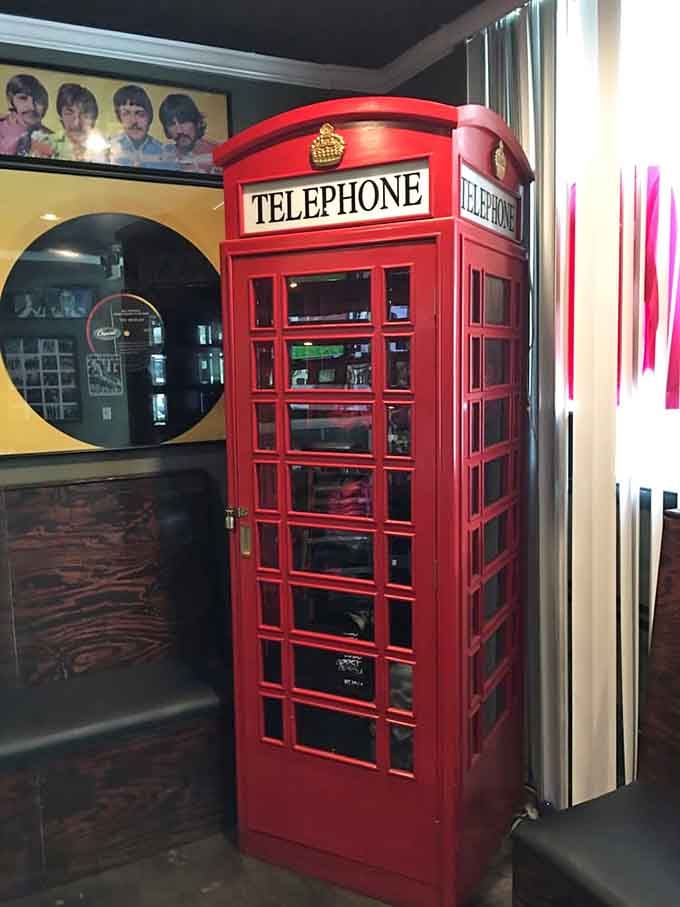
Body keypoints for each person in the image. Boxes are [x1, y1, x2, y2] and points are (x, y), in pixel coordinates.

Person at [108, 85, 175, 170]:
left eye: (140, 114)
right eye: (126, 114)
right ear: (119, 117)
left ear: (149, 117)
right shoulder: (108, 149)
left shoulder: (165, 154)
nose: (134, 121)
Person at [158, 93, 218, 173]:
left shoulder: (219, 152)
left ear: (197, 122)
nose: (179, 130)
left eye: (183, 121)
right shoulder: (163, 154)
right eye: (172, 124)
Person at [47, 83, 108, 163]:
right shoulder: (46, 143)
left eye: (84, 114)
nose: (76, 122)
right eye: (69, 113)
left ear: (94, 119)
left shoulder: (109, 149)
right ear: (61, 118)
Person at [0, 73, 53, 157]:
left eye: (38, 99)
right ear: (10, 101)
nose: (32, 107)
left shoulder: (52, 140)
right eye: (23, 98)